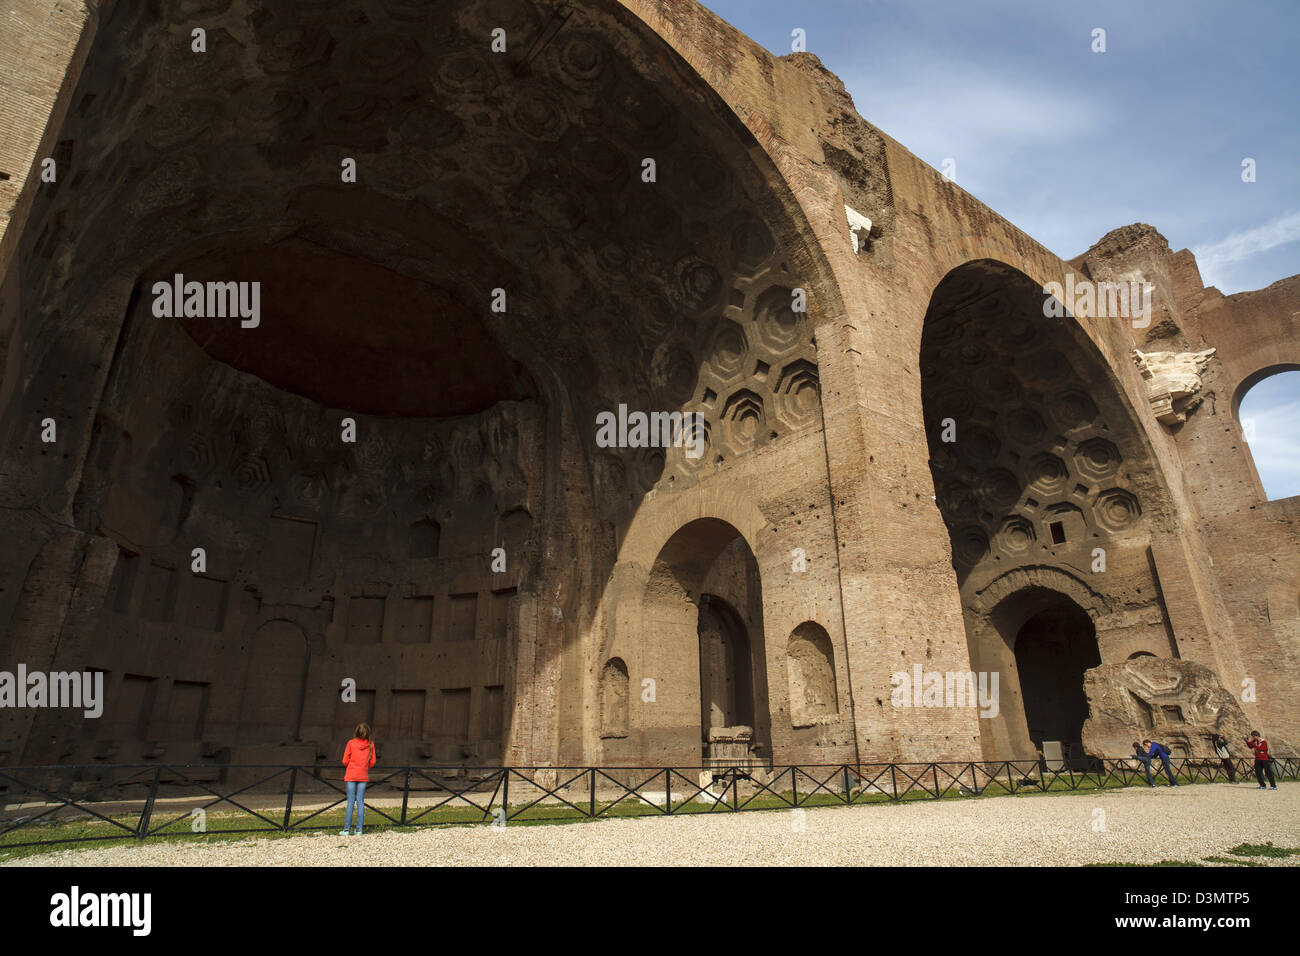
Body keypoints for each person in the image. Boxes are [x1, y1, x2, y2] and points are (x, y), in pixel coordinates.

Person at [341, 722, 377, 835]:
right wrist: (364, 767)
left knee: (350, 801)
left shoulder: (351, 743)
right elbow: (373, 761)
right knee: (360, 801)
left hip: (351, 774)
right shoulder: (370, 744)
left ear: (356, 732)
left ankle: (346, 829)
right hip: (363, 775)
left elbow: (344, 760)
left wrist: (351, 765)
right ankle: (359, 829)